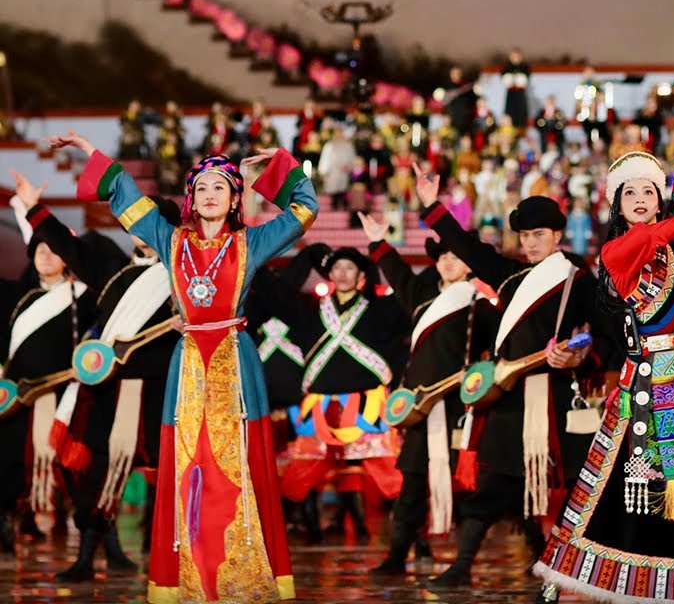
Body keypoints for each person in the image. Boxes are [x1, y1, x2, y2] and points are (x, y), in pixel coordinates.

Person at [48, 129, 317, 603]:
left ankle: (245, 573)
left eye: (221, 187)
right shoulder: (170, 240)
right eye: (201, 187)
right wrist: (92, 154)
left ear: (235, 198)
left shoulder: (251, 244)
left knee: (238, 465)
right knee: (190, 466)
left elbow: (303, 212)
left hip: (234, 362)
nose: (209, 195)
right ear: (190, 198)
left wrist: (278, 166)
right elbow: (128, 201)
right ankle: (190, 575)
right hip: (189, 361)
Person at [533, 101, 674, 604]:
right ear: (616, 204)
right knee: (629, 481)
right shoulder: (616, 252)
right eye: (631, 192)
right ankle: (581, 574)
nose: (641, 198)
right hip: (648, 382)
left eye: (648, 190)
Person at [414, 173, 618, 589]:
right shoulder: (508, 275)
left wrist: (580, 355)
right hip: (507, 397)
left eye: (538, 234)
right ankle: (463, 564)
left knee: (562, 491)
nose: (529, 243)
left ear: (558, 235)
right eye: (524, 235)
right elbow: (466, 246)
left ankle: (565, 570)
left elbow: (605, 338)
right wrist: (433, 206)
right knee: (495, 483)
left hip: (554, 398)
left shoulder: (579, 281)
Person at [12, 173, 182, 579]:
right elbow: (69, 247)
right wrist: (36, 210)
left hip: (161, 389)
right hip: (108, 389)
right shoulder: (112, 270)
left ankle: (167, 554)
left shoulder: (184, 276)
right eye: (138, 220)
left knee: (166, 472)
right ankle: (90, 554)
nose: (143, 227)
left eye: (152, 219)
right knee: (90, 471)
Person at [361, 220, 496, 574]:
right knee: (412, 484)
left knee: (477, 486)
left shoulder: (480, 304)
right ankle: (396, 556)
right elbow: (397, 272)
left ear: (470, 263)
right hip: (420, 405)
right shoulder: (421, 296)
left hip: (460, 405)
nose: (449, 262)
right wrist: (378, 240)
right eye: (443, 257)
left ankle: (471, 560)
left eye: (456, 256)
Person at [263, 245, 409, 543]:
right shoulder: (310, 311)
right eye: (337, 268)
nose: (343, 274)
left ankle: (412, 539)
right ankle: (271, 539)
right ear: (329, 274)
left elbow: (409, 298)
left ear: (361, 276)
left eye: (350, 269)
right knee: (299, 472)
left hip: (368, 404)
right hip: (321, 406)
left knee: (390, 474)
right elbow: (276, 295)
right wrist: (308, 256)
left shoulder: (380, 310)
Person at [0, 194, 97, 556]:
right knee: (10, 461)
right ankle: (9, 522)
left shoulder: (83, 297)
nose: (45, 255)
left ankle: (93, 536)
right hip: (19, 393)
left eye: (52, 250)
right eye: (38, 250)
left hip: (63, 394)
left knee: (72, 465)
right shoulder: (18, 296)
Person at [502, 48, 532, 128]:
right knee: (510, 113)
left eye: (516, 56)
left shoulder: (524, 67)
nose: (515, 58)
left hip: (520, 93)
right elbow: (504, 79)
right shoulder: (507, 67)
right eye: (513, 56)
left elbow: (525, 80)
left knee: (521, 112)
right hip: (511, 94)